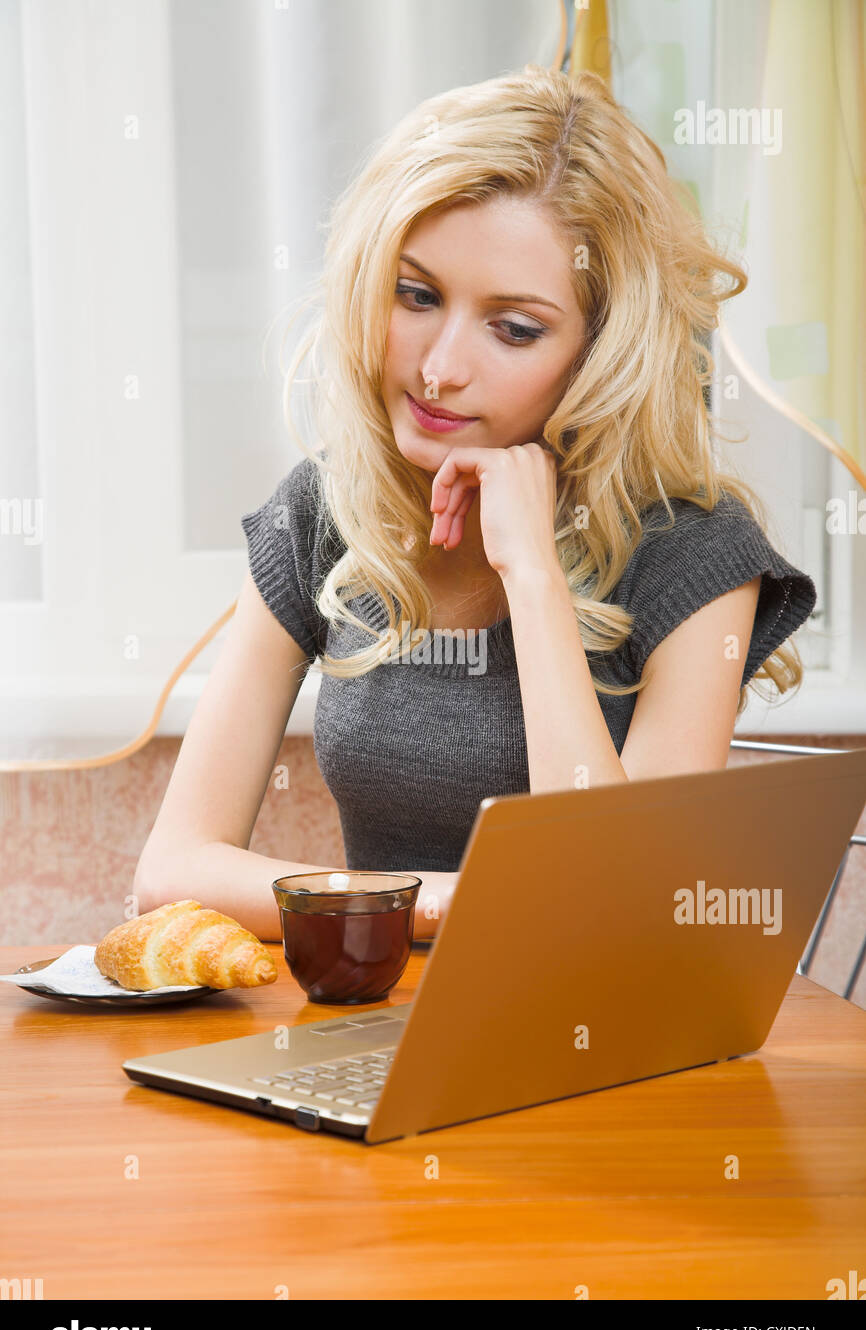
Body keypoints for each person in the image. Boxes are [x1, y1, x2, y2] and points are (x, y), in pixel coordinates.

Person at [133, 65, 817, 944]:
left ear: (600, 353)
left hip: (594, 1047)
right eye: (417, 296)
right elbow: (175, 869)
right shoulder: (326, 509)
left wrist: (531, 574)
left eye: (514, 328)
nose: (441, 366)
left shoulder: (696, 553)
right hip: (375, 1029)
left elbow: (626, 902)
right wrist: (438, 900)